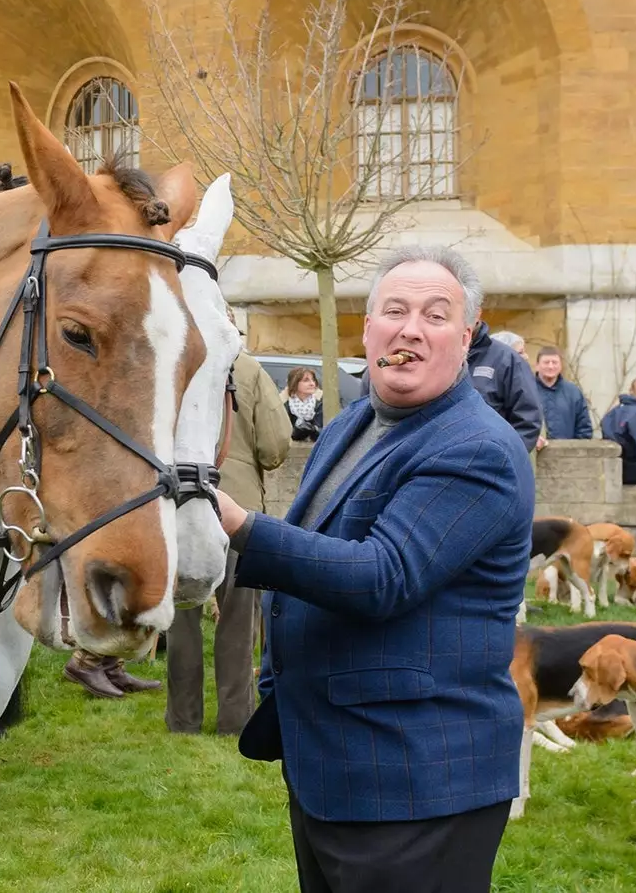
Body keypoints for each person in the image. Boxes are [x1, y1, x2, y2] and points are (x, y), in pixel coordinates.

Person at [219, 244, 533, 893]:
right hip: (335, 764)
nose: (410, 327)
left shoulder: (480, 449)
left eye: (435, 314)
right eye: (394, 310)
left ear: (467, 338)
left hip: (419, 783)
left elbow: (381, 575)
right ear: (369, 330)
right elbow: (319, 540)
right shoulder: (356, 421)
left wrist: (240, 527)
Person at [166, 349, 291, 735]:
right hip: (235, 504)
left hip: (177, 500)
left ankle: (183, 720)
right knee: (239, 620)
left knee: (181, 617)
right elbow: (275, 446)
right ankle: (235, 719)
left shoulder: (172, 358)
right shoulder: (248, 369)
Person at [467, 320, 542, 457]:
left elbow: (528, 419)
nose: (525, 356)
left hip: (493, 463)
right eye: (521, 352)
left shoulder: (509, 362)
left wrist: (502, 460)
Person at [533, 346, 592, 445]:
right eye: (546, 362)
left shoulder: (573, 392)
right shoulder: (527, 390)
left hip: (567, 455)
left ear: (561, 366)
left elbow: (584, 428)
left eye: (554, 362)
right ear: (537, 366)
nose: (551, 366)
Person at [282, 366, 324, 442]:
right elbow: (280, 433)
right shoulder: (284, 405)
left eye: (313, 380)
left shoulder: (321, 404)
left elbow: (326, 433)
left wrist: (314, 430)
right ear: (294, 383)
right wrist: (295, 433)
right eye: (306, 380)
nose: (312, 384)